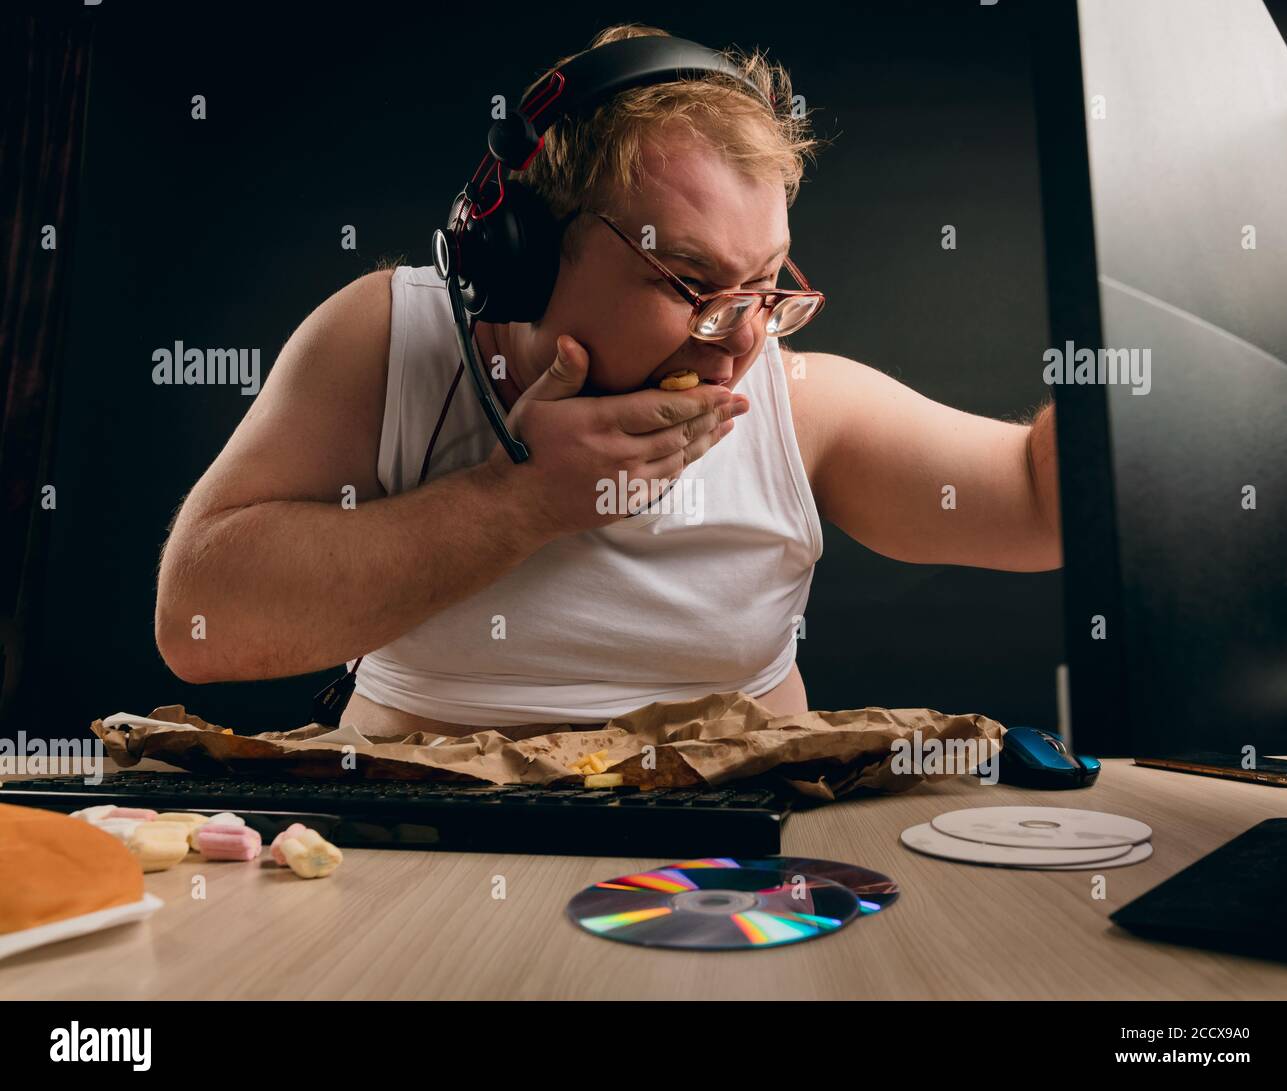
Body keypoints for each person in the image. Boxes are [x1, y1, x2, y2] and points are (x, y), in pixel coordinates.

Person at [154, 24, 1061, 738]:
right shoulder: (389, 340)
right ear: (529, 259)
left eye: (766, 283)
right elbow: (199, 621)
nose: (741, 337)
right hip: (426, 868)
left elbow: (1041, 498)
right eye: (693, 286)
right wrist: (523, 501)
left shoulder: (796, 397)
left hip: (727, 889)